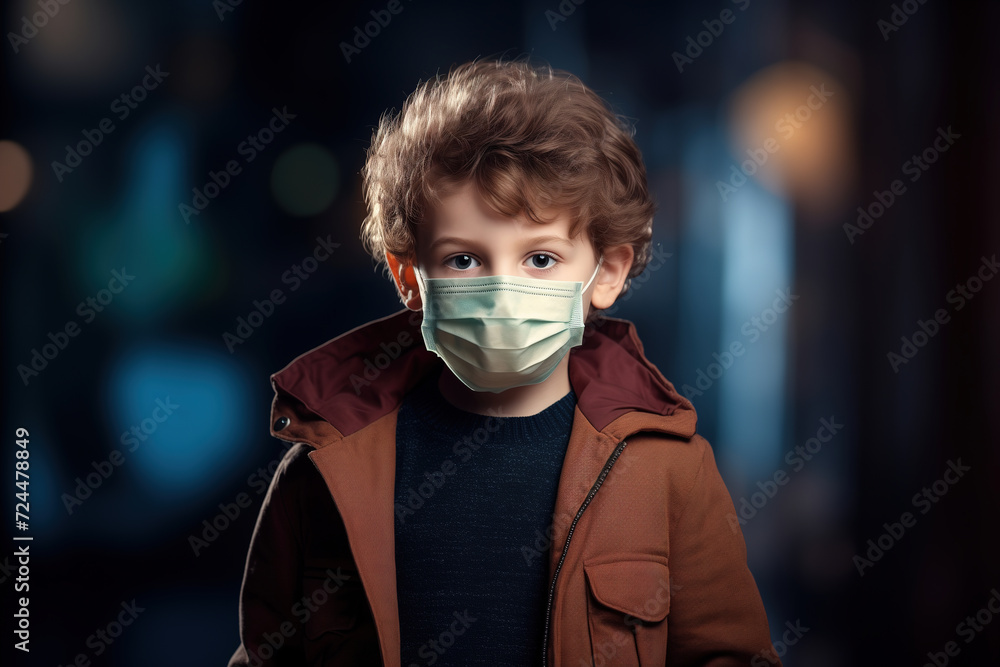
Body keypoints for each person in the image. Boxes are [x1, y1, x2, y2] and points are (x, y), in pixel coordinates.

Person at [228, 56, 781, 667]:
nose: (501, 290)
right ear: (409, 276)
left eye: (540, 259)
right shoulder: (328, 464)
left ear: (607, 273)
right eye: (463, 260)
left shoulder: (670, 470)